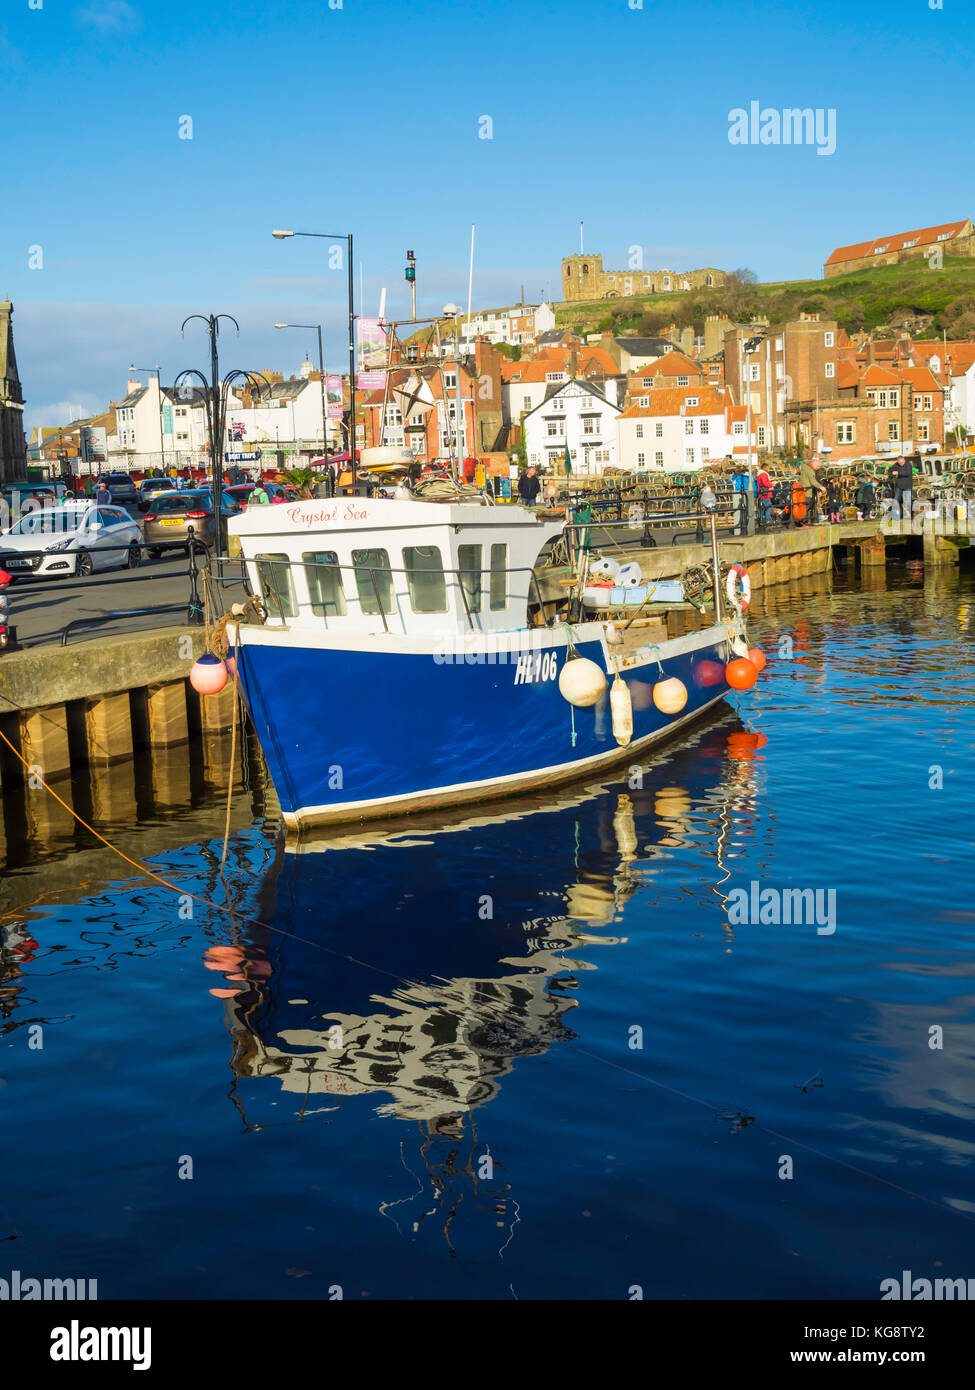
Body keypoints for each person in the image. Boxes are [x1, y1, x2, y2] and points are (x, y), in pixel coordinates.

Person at [797, 457, 826, 525]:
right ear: (813, 463)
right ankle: (802, 521)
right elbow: (812, 481)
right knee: (806, 507)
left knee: (806, 507)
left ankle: (804, 521)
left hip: (805, 491)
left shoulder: (806, 468)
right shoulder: (810, 470)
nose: (818, 468)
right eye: (817, 466)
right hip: (807, 492)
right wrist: (821, 487)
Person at [888, 454, 913, 522]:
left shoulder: (908, 465)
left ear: (904, 460)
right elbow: (891, 469)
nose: (900, 464)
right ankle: (896, 516)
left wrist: (898, 472)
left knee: (907, 501)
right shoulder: (896, 464)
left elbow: (907, 473)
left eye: (901, 462)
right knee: (896, 500)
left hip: (907, 486)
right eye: (899, 463)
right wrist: (889, 469)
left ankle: (909, 516)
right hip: (899, 486)